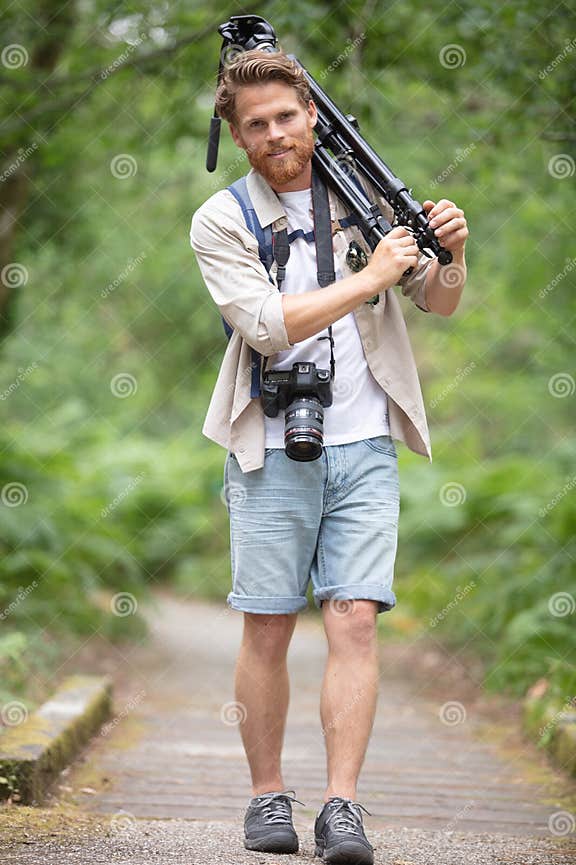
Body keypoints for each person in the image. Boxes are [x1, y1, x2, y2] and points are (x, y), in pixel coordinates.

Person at [190, 48, 468, 865]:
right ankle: (266, 795)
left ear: (311, 113)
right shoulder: (222, 219)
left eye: (286, 115)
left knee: (354, 620)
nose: (275, 133)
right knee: (268, 623)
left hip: (365, 441)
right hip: (268, 446)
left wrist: (451, 251)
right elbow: (268, 324)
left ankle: (342, 807)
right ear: (237, 138)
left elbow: (440, 302)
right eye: (256, 125)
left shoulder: (366, 198)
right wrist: (371, 274)